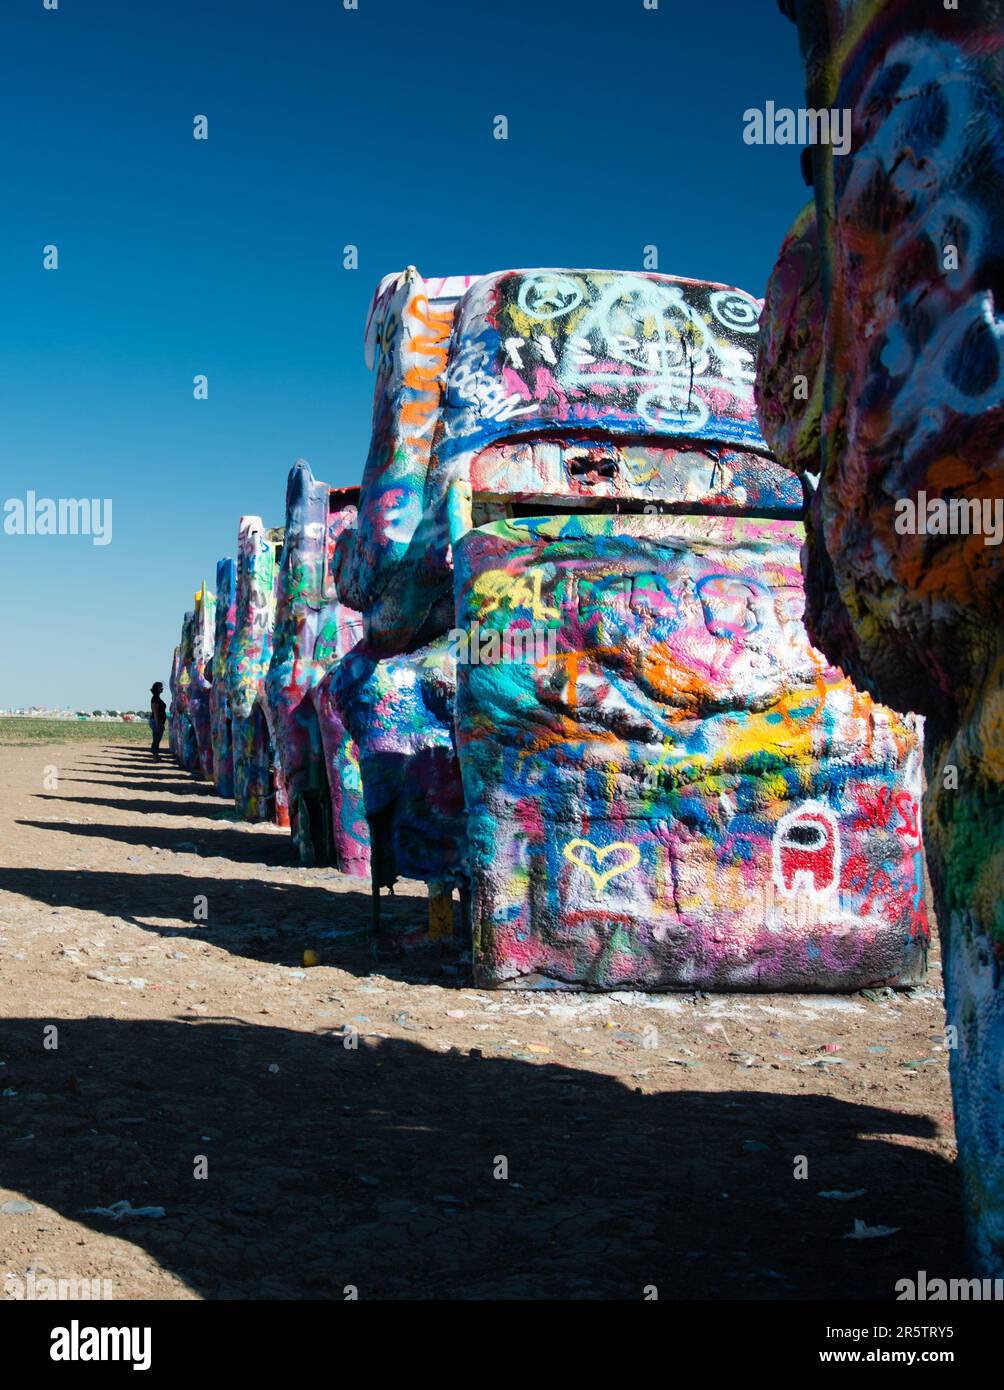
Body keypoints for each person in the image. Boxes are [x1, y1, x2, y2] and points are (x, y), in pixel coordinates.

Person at [149, 682, 167, 760]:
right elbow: (155, 712)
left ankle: (155, 755)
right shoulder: (155, 698)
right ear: (157, 689)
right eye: (161, 687)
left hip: (158, 721)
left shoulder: (157, 698)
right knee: (156, 739)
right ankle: (155, 756)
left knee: (157, 739)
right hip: (156, 721)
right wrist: (157, 723)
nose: (162, 689)